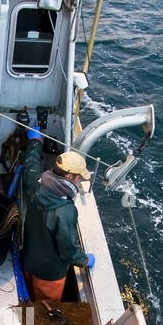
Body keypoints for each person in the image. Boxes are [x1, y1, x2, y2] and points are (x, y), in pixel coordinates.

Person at [19, 125, 94, 301]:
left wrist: (35, 141)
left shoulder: (36, 182)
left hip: (28, 262)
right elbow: (68, 249)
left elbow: (31, 162)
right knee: (47, 309)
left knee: (29, 294)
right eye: (78, 176)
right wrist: (83, 260)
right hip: (49, 275)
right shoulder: (65, 211)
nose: (79, 179)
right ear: (69, 177)